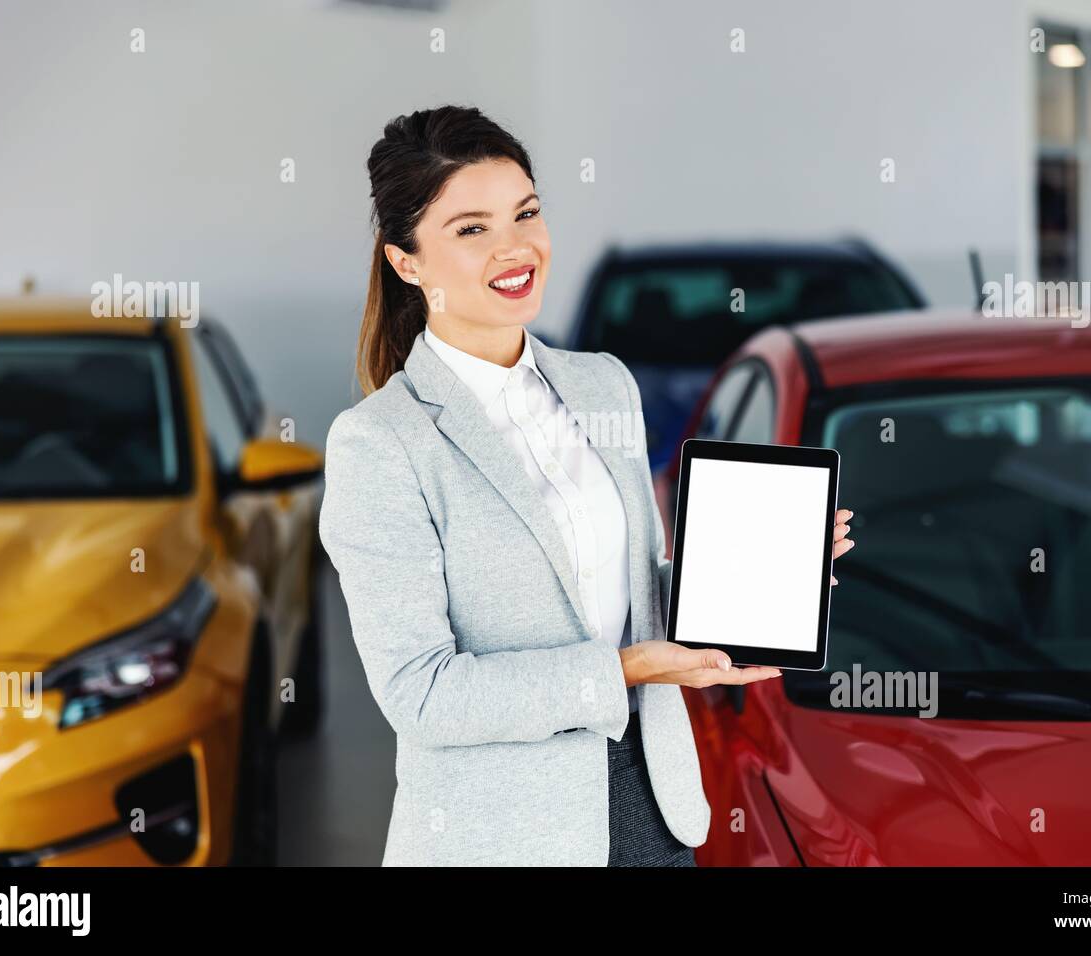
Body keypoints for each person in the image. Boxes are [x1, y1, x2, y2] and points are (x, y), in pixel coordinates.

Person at [319, 105, 855, 866]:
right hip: (499, 840)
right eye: (472, 229)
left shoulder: (603, 385)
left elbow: (635, 593)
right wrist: (624, 671)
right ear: (406, 262)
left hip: (653, 809)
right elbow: (423, 693)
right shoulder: (381, 442)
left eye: (526, 213)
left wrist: (767, 574)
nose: (515, 247)